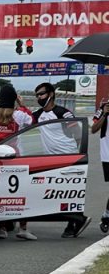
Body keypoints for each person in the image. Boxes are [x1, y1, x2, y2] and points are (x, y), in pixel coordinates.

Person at [32, 82, 91, 237]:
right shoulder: (37, 115)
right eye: (37, 95)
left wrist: (77, 156)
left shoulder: (63, 113)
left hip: (68, 157)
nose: (39, 97)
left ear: (51, 94)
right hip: (50, 160)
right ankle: (77, 220)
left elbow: (78, 133)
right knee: (54, 194)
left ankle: (75, 222)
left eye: (41, 94)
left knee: (70, 193)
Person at [0, 84, 35, 240]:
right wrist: (22, 105)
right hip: (16, 160)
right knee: (22, 193)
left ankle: (1, 228)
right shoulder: (19, 115)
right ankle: (23, 228)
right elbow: (32, 120)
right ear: (14, 98)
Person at [93, 98, 109, 226]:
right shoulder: (103, 108)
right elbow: (93, 129)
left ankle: (107, 214)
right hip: (108, 155)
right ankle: (107, 215)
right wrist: (104, 114)